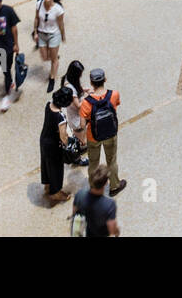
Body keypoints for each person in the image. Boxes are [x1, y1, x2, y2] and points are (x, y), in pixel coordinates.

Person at [81, 68, 127, 196]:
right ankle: (114, 186)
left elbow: (82, 124)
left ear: (91, 83)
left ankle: (94, 188)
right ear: (105, 80)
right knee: (111, 161)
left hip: (93, 136)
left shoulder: (86, 102)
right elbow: (115, 105)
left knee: (93, 163)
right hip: (110, 133)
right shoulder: (114, 94)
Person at [40, 86, 74, 204]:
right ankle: (55, 192)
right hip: (54, 145)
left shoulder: (49, 104)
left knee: (45, 163)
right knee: (56, 168)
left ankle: (47, 184)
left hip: (44, 138)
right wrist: (69, 145)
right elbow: (63, 136)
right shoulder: (60, 117)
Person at [71, 163, 120, 236]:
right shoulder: (109, 204)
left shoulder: (80, 194)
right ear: (106, 183)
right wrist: (117, 232)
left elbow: (74, 211)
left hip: (85, 232)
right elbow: (112, 228)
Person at [34, 0, 66, 92]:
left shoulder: (58, 9)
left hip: (54, 34)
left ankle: (52, 79)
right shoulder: (39, 4)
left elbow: (61, 23)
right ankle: (55, 56)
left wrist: (63, 35)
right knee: (44, 57)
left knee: (53, 60)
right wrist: (35, 32)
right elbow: (36, 18)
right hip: (42, 33)